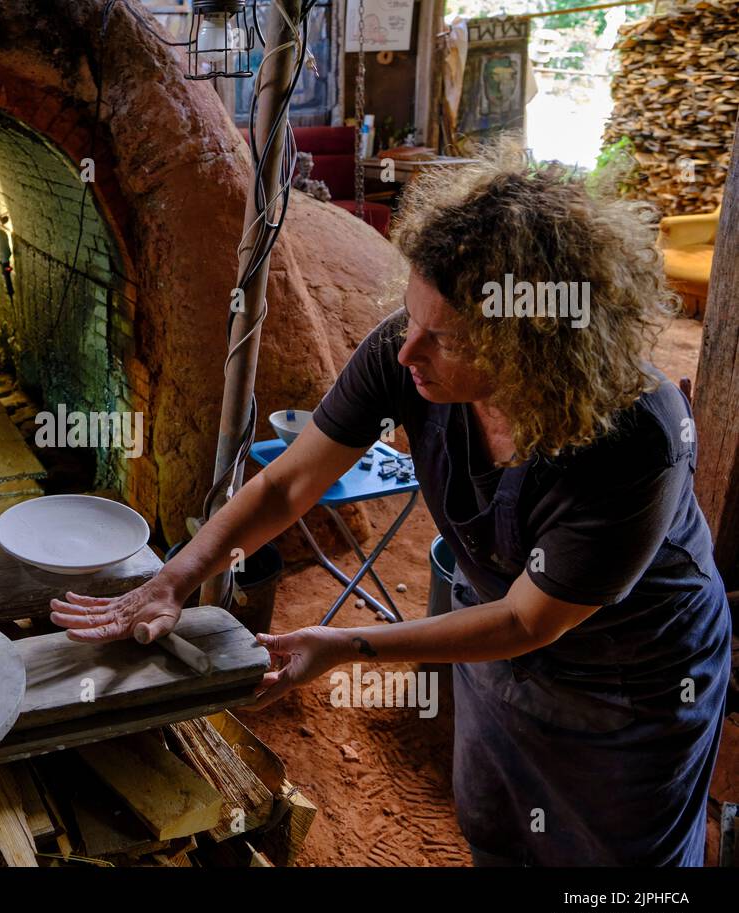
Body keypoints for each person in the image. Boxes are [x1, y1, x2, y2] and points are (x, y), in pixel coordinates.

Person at [48, 141, 732, 867]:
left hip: (629, 677)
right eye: (411, 319)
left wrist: (346, 646)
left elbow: (530, 620)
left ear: (533, 346)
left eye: (446, 338)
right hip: (495, 639)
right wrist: (175, 577)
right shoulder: (403, 356)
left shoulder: (632, 436)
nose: (409, 354)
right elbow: (287, 484)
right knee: (499, 829)